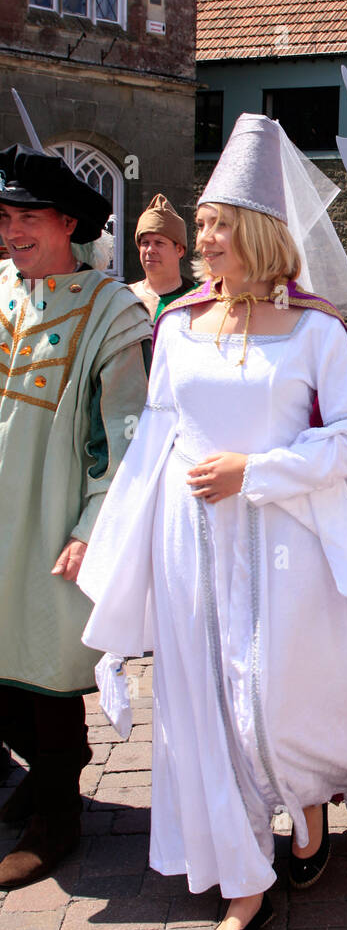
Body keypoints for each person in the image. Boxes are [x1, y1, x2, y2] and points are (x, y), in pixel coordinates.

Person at [79, 114, 347, 930]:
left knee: (275, 698)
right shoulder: (176, 328)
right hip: (191, 545)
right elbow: (157, 436)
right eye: (200, 226)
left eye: (216, 226)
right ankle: (245, 884)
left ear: (260, 234)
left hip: (288, 549)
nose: (203, 241)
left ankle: (306, 807)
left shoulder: (315, 332)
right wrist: (118, 544)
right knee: (202, 704)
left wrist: (257, 469)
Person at [0, 144, 151, 888]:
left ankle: (55, 815)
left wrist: (95, 527)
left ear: (68, 222)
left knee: (50, 672)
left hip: (55, 517)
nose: (13, 232)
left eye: (28, 217)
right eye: (4, 217)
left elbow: (125, 436)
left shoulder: (111, 310)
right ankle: (38, 777)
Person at [129, 194, 196, 323]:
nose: (150, 250)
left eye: (159, 243)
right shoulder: (125, 298)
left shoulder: (198, 299)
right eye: (145, 243)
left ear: (179, 250)